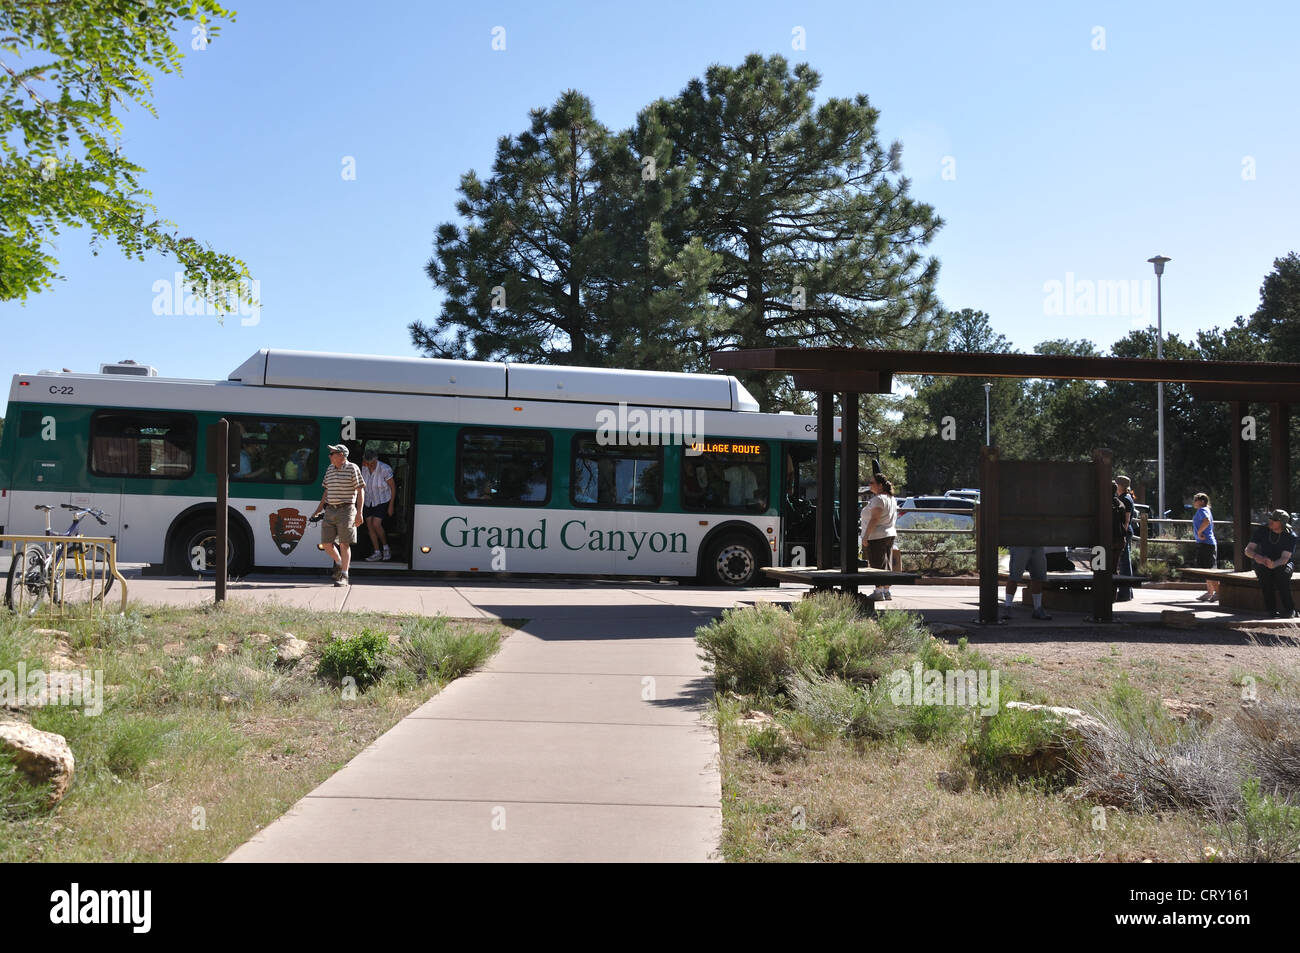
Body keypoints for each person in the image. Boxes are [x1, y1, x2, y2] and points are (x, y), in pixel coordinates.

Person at [310, 444, 364, 586]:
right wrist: (318, 509)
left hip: (346, 509)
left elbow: (360, 491)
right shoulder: (330, 469)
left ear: (341, 455)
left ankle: (345, 576)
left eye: (332, 453)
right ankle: (340, 564)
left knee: (344, 544)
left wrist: (359, 513)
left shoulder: (353, 468)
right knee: (326, 544)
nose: (329, 455)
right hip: (330, 510)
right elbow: (326, 491)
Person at [1244, 509, 1298, 618]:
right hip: (1263, 560)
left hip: (1283, 562)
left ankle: (1290, 609)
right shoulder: (1262, 530)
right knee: (1264, 574)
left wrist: (1274, 564)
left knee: (1282, 574)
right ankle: (1271, 610)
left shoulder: (1290, 535)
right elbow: (1248, 550)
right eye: (1271, 518)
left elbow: (1285, 558)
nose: (1271, 521)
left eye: (1275, 520)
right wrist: (1257, 557)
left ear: (1282, 523)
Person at [860, 473, 897, 601]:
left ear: (880, 485)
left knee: (877, 564)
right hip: (889, 534)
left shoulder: (878, 499)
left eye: (872, 483)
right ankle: (886, 591)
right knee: (887, 563)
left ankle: (878, 591)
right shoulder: (891, 498)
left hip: (877, 536)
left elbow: (874, 519)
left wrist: (865, 536)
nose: (870, 484)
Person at [361, 448, 397, 562]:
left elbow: (393, 488)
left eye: (371, 463)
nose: (369, 465)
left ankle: (386, 548)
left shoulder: (385, 469)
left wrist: (391, 506)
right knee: (370, 525)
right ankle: (377, 552)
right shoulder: (364, 467)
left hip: (382, 500)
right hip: (368, 500)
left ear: (376, 460)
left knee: (376, 524)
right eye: (367, 463)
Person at [1005, 546, 1052, 621]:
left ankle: (1038, 608)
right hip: (1020, 545)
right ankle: (1007, 607)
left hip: (1038, 545)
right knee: (1014, 576)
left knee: (1038, 577)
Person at [1192, 492, 1220, 603]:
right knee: (1206, 569)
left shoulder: (1202, 510)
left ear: (1202, 501)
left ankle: (1219, 593)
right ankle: (1210, 592)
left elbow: (1207, 521)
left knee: (1210, 569)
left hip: (1207, 544)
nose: (1194, 502)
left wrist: (1199, 532)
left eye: (1196, 500)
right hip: (1205, 543)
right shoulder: (1203, 510)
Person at [1114, 475, 1135, 601]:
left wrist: (1122, 534)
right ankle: (1127, 591)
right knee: (1124, 562)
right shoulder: (1123, 497)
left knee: (1124, 563)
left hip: (1124, 533)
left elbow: (1126, 521)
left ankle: (1125, 592)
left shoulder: (1125, 499)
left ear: (1120, 485)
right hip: (1124, 533)